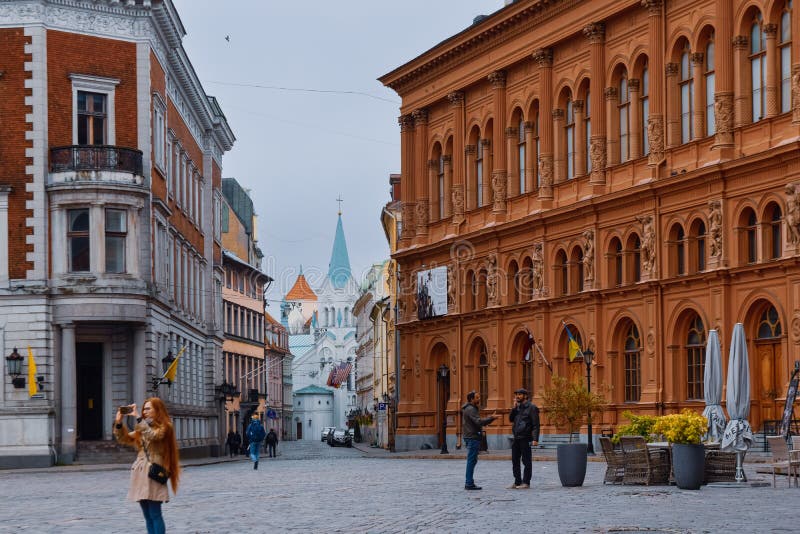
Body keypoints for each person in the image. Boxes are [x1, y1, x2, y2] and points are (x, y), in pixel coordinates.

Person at [114, 397, 180, 534]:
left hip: (154, 471)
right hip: (140, 471)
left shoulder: (165, 426)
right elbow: (124, 438)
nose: (144, 411)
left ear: (158, 410)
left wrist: (138, 418)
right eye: (144, 409)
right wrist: (119, 423)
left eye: (148, 408)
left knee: (155, 513)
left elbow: (154, 436)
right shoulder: (143, 426)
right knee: (147, 515)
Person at [460, 390, 498, 490]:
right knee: (471, 461)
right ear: (471, 399)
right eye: (477, 397)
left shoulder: (469, 408)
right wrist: (491, 418)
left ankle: (469, 482)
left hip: (471, 436)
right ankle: (469, 483)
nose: (479, 399)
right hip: (472, 437)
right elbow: (479, 422)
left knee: (472, 460)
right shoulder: (471, 409)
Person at [508, 388, 540, 489]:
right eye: (516, 394)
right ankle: (517, 481)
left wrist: (535, 439)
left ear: (525, 396)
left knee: (526, 461)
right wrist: (513, 408)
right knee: (515, 460)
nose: (517, 396)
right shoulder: (517, 408)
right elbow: (510, 419)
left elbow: (536, 424)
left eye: (520, 394)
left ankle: (526, 482)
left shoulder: (532, 407)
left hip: (525, 438)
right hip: (516, 437)